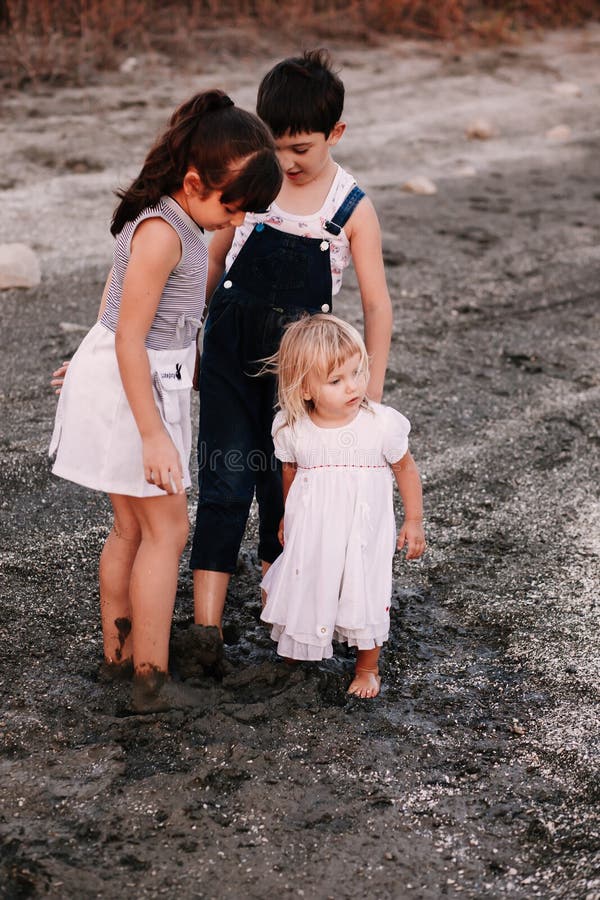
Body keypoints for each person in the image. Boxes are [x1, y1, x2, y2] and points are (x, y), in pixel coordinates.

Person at [48, 90, 282, 712]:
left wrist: (87, 365)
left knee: (130, 525)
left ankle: (117, 658)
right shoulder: (164, 233)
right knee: (167, 529)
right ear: (193, 181)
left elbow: (115, 310)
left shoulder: (156, 213)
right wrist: (154, 434)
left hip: (123, 373)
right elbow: (131, 335)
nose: (234, 222)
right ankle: (150, 677)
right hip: (140, 390)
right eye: (230, 208)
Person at [190, 50, 394, 647]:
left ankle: (281, 611)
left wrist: (371, 390)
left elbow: (377, 305)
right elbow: (212, 261)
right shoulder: (253, 186)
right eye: (274, 147)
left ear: (336, 133)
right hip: (229, 352)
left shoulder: (350, 207)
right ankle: (205, 629)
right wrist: (192, 341)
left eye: (300, 150)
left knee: (287, 488)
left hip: (302, 376)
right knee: (225, 479)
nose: (286, 164)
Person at [260, 314, 426, 699]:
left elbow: (405, 469)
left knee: (364, 587)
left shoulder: (379, 425)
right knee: (307, 579)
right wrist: (287, 514)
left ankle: (367, 667)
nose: (353, 386)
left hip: (363, 532)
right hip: (313, 528)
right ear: (305, 389)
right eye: (336, 380)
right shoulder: (292, 428)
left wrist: (413, 520)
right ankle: (299, 645)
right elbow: (290, 473)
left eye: (356, 371)